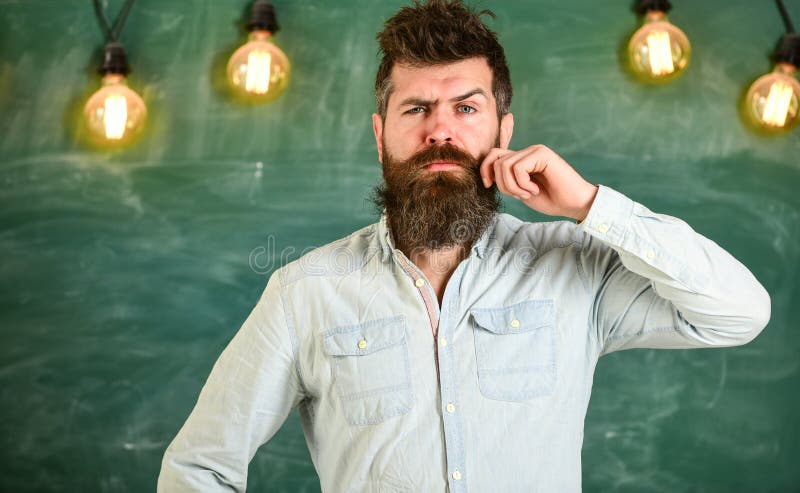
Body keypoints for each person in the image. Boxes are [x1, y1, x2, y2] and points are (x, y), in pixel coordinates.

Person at [158, 1, 771, 491]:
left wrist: (590, 205)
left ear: (504, 130)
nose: (440, 130)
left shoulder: (574, 269)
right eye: (416, 108)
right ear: (380, 135)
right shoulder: (303, 295)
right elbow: (199, 468)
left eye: (466, 107)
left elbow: (740, 313)